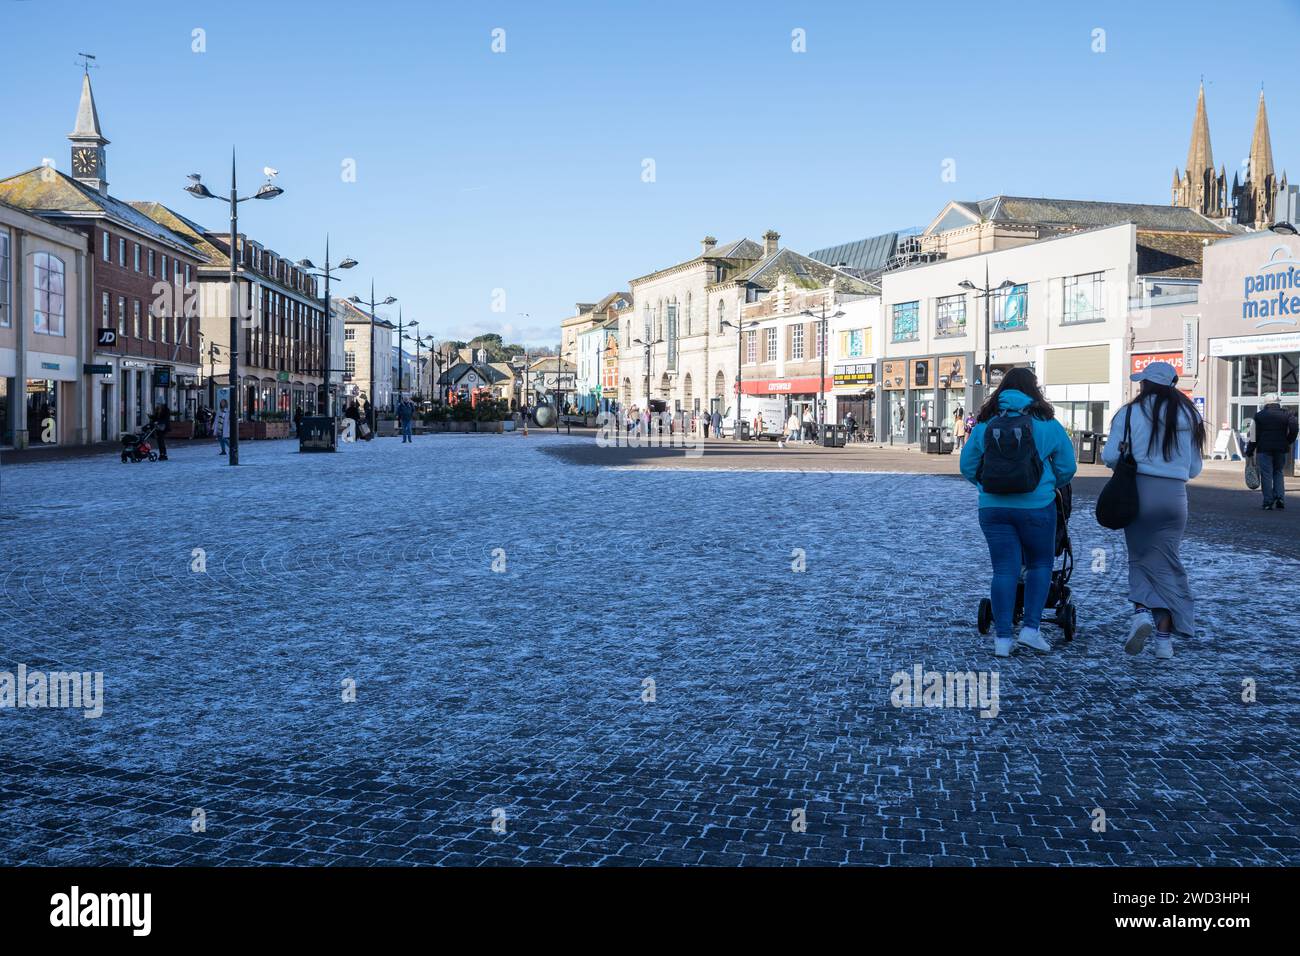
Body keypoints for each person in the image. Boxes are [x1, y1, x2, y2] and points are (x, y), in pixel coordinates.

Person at [959, 368, 1077, 657]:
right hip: (1037, 508)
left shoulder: (986, 424)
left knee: (1004, 569)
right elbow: (1067, 467)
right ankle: (1031, 630)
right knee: (1039, 565)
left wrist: (987, 485)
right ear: (1033, 390)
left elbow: (967, 466)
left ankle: (1001, 639)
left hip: (993, 508)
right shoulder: (1047, 424)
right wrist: (1048, 486)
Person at [1101, 361, 1205, 661]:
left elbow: (1110, 456)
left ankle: (1141, 614)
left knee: (1141, 559)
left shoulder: (1130, 412)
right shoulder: (1188, 414)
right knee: (1166, 562)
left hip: (1139, 493)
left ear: (1145, 384)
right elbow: (1195, 468)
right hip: (1174, 498)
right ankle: (1163, 641)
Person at [1246, 392, 1298, 510]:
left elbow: (1253, 435)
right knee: (1278, 472)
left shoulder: (1259, 415)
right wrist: (1288, 441)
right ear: (1278, 403)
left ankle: (1268, 502)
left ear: (1266, 403)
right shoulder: (1287, 414)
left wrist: (1250, 450)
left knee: (1266, 474)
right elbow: (1294, 428)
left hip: (1264, 449)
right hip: (1281, 448)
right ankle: (1280, 498)